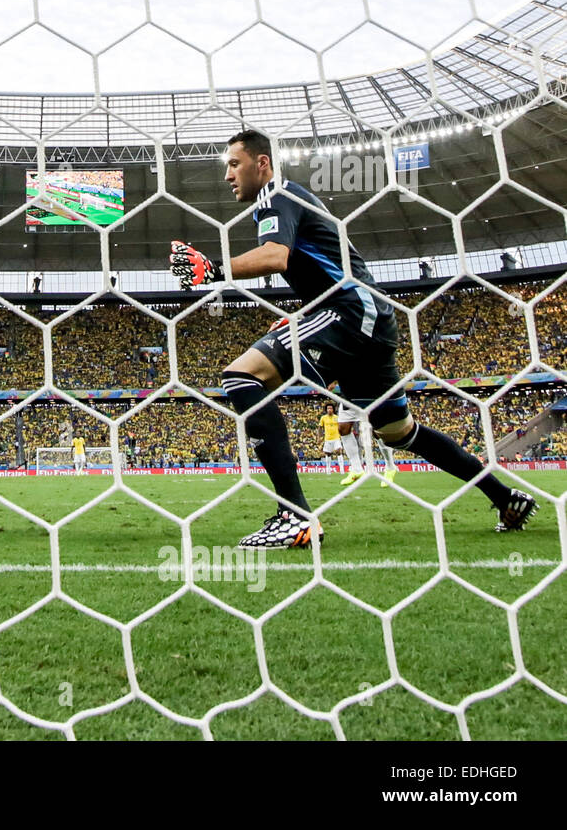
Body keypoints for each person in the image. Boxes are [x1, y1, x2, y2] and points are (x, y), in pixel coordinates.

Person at [169, 129, 536, 548]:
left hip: (350, 312)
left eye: (234, 164)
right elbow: (328, 267)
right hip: (367, 315)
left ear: (262, 162)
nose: (228, 176)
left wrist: (215, 269)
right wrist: (305, 314)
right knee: (399, 432)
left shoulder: (276, 195)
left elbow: (276, 256)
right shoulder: (292, 198)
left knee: (240, 378)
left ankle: (295, 516)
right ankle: (506, 498)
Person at [337, 401, 398, 487]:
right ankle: (357, 469)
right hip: (349, 396)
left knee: (377, 430)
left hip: (369, 395)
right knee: (343, 428)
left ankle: (390, 467)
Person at [318, 403, 343, 474]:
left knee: (339, 451)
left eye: (331, 408)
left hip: (336, 438)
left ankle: (342, 469)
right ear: (326, 410)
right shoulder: (323, 418)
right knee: (328, 454)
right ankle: (328, 470)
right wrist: (319, 437)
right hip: (328, 439)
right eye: (328, 408)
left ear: (333, 409)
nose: (329, 410)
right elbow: (320, 428)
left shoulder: (337, 417)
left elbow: (341, 427)